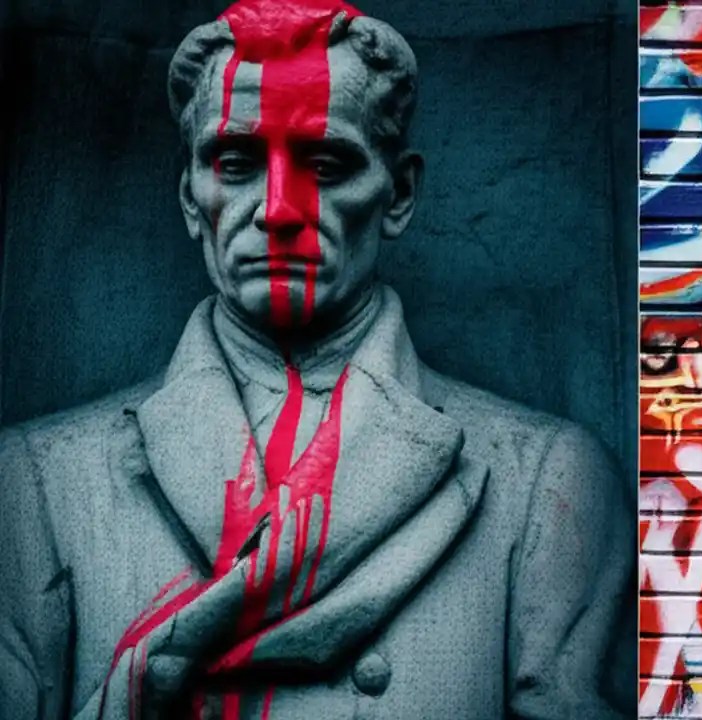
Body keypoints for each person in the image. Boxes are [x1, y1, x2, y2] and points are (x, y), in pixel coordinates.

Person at [0, 1, 633, 718]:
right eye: (235, 163)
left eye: (326, 164)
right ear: (189, 196)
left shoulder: (544, 483)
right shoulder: (32, 489)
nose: (277, 207)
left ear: (398, 195)